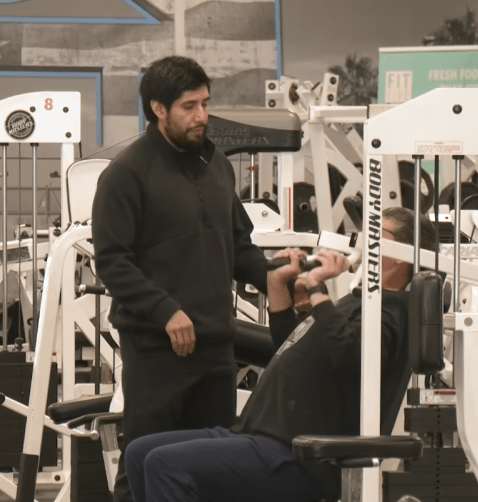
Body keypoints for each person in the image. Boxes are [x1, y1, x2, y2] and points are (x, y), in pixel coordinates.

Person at [123, 207, 438, 502]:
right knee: (139, 452)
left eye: (378, 234)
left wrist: (316, 288)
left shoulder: (394, 312)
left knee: (166, 465)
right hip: (258, 434)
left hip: (296, 455)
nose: (365, 241)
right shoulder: (358, 303)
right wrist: (277, 284)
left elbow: (351, 356)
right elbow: (290, 342)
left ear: (400, 257)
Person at [91, 56, 270, 502]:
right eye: (190, 106)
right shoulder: (126, 174)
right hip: (157, 347)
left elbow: (240, 248)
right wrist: (166, 310)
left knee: (210, 466)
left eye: (206, 104)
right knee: (144, 464)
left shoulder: (217, 166)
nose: (202, 116)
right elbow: (112, 262)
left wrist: (284, 278)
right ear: (158, 109)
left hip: (214, 346)